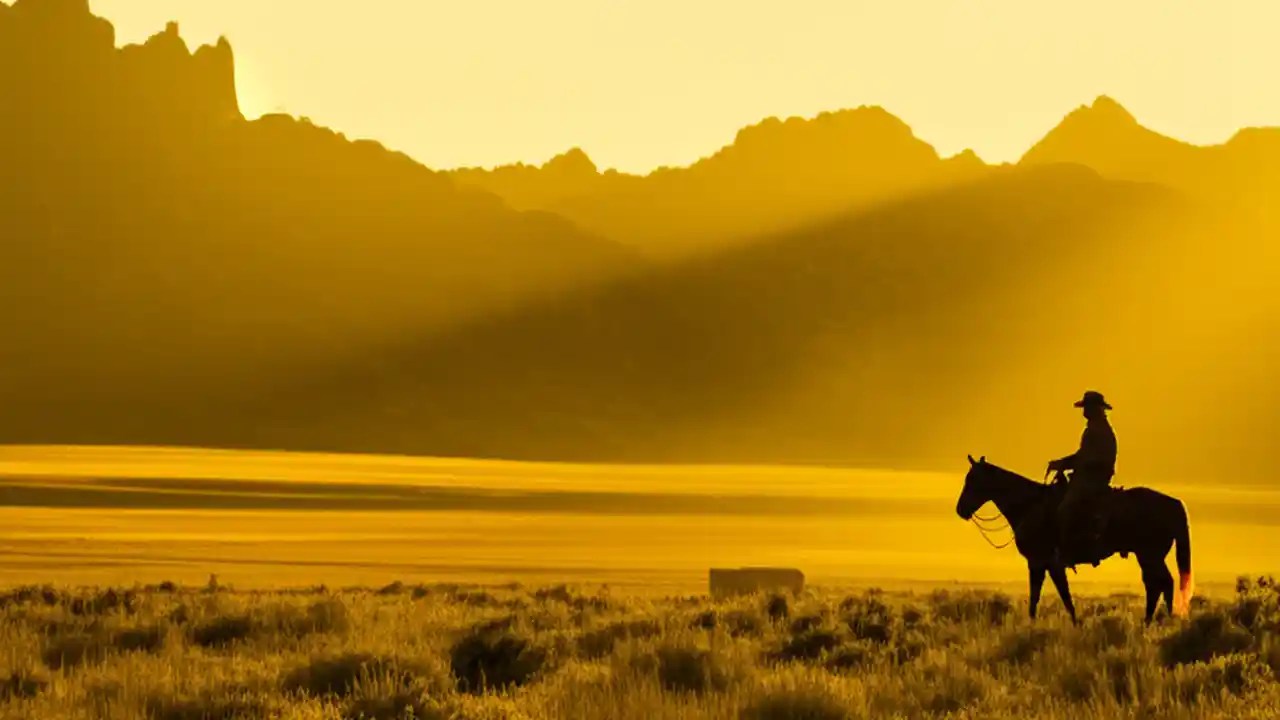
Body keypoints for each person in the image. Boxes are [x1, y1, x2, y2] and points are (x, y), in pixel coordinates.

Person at [1047, 391, 1117, 565]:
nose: (1084, 411)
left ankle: (1069, 551)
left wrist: (1063, 464)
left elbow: (1086, 457)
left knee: (1066, 507)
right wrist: (1063, 463)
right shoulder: (1097, 428)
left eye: (1087, 407)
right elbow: (1083, 456)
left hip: (1093, 478)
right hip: (1091, 475)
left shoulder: (1097, 430)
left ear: (1095, 409)